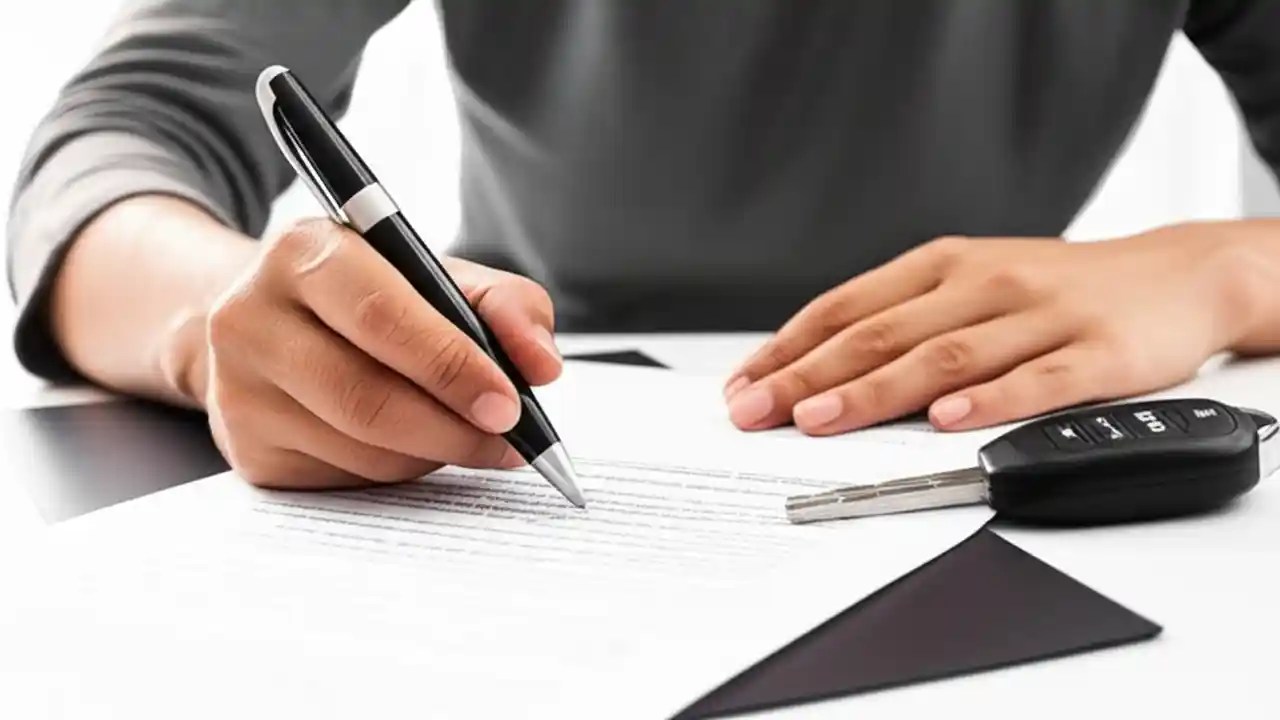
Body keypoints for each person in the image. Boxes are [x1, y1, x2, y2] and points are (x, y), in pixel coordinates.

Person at [7, 1, 1280, 490]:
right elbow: (119, 137)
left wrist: (1224, 268)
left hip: (987, 442)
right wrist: (212, 318)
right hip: (493, 412)